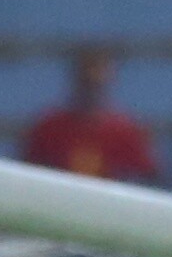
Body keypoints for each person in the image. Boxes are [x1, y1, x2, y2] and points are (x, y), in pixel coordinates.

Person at [18, 46, 161, 184]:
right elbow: (27, 175)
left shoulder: (126, 132)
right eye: (87, 83)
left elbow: (148, 179)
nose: (92, 91)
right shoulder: (48, 129)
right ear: (76, 81)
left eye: (97, 84)